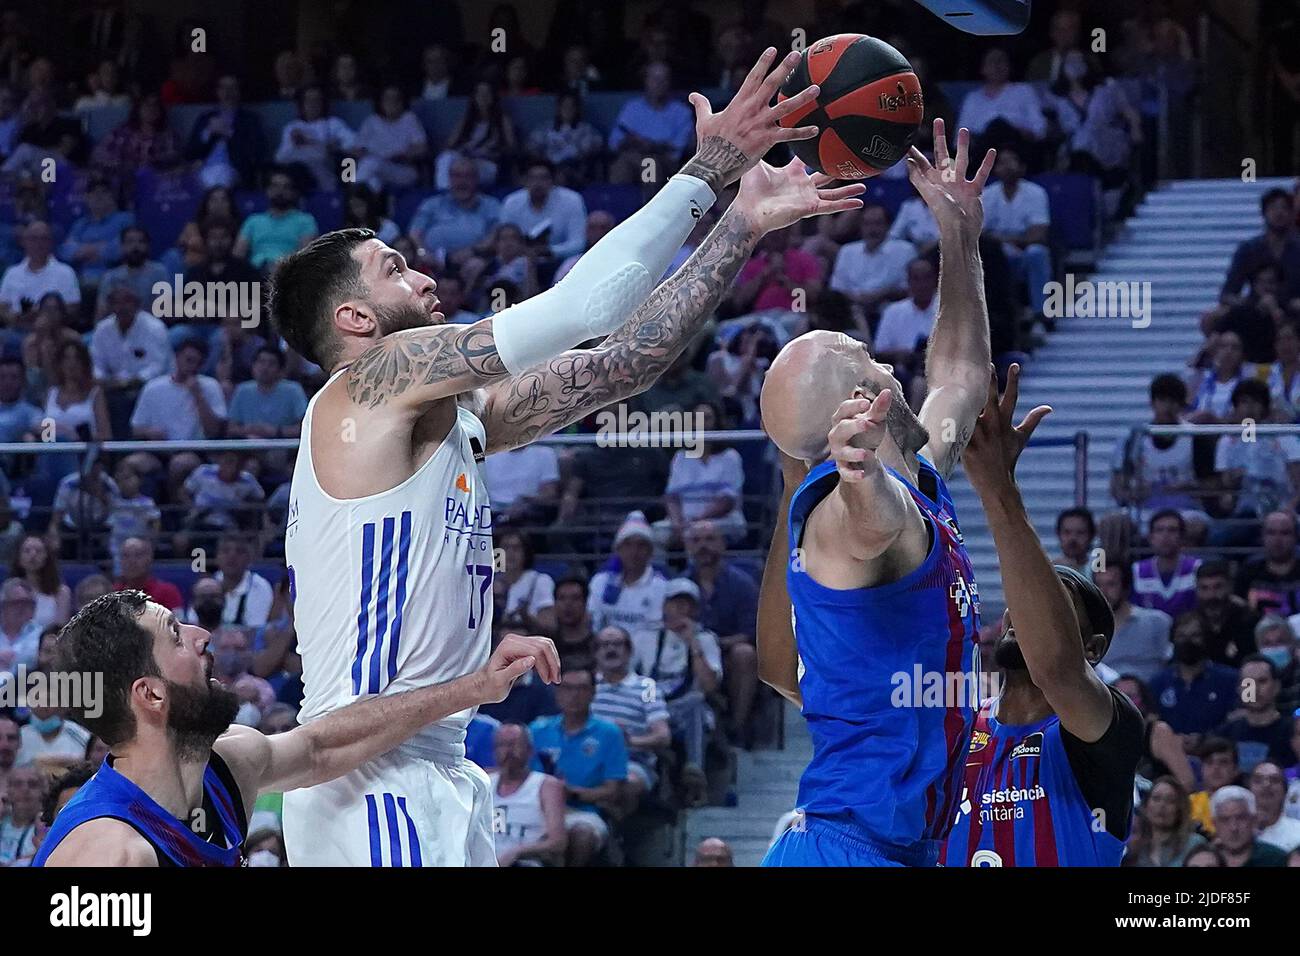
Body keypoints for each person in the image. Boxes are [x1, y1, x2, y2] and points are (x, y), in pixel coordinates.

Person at [267, 47, 851, 866]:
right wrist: (709, 168)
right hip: (367, 769)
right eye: (395, 269)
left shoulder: (452, 416)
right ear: (357, 322)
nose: (426, 276)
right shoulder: (365, 389)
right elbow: (583, 306)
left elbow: (624, 361)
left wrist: (741, 223)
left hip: (435, 762)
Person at [757, 120, 993, 867]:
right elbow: (871, 531)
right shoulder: (842, 511)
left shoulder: (918, 481)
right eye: (864, 351)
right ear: (865, 393)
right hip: (846, 848)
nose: (888, 356)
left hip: (898, 847)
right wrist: (858, 477)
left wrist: (959, 235)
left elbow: (960, 377)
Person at [33, 590, 557, 866]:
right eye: (175, 634)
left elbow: (324, 745)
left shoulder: (227, 766)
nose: (202, 635)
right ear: (151, 695)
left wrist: (475, 686)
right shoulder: (112, 853)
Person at [940, 366, 1143, 866]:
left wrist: (997, 488)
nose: (1018, 614)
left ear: (1092, 648)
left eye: (1054, 598)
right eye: (1017, 604)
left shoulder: (1108, 727)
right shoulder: (957, 726)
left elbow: (1056, 668)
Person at [529, 667, 628, 866]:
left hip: (583, 811)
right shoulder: (537, 729)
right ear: (557, 693)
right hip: (536, 808)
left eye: (582, 688)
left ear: (593, 693)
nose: (574, 695)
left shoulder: (609, 733)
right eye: (567, 688)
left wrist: (572, 793)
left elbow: (613, 791)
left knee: (581, 835)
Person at [488, 722, 567, 866]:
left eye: (513, 744)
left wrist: (516, 852)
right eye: (502, 745)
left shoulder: (546, 785)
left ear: (530, 750)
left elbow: (558, 842)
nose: (508, 751)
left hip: (524, 862)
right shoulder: (485, 783)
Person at [1093, 563, 1171, 683]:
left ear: (1126, 587)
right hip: (1105, 697)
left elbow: (1169, 666)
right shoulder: (1089, 629)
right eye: (1098, 585)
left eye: (1111, 584)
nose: (1103, 591)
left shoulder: (1157, 622)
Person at [1130, 509, 1201, 618]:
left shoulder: (1196, 568)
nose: (1165, 535)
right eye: (1159, 530)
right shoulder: (1137, 571)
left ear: (1182, 537)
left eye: (1172, 530)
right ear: (1150, 538)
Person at [1123, 776, 1207, 867]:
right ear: (1146, 805)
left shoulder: (1194, 844)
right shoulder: (1135, 847)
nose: (1162, 805)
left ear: (1180, 808)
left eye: (1170, 800)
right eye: (1156, 798)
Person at [1209, 785, 1288, 867]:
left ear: (1253, 820)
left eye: (1240, 818)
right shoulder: (1203, 860)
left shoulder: (1276, 859)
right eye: (1225, 820)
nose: (1234, 828)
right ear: (1214, 824)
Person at [10, 534, 71, 628]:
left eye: (38, 551)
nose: (33, 555)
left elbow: (60, 630)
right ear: (19, 558)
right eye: (27, 551)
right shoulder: (10, 589)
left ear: (47, 556)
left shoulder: (61, 592)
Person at [1250, 760, 1300, 852]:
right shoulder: (1235, 829)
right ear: (1248, 789)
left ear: (1285, 791)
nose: (1266, 785)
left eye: (1274, 780)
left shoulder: (1298, 833)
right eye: (1258, 780)